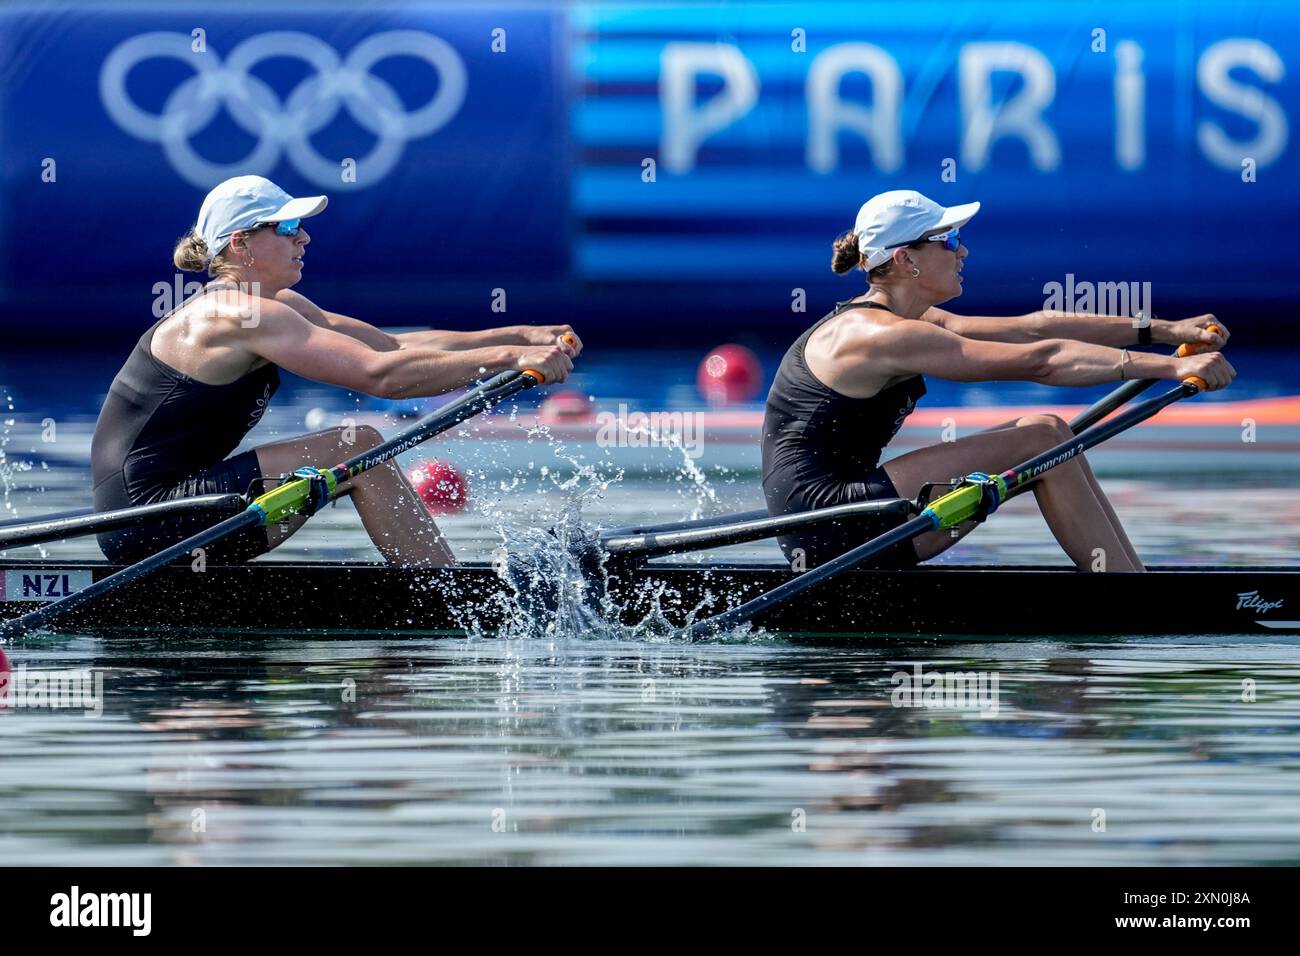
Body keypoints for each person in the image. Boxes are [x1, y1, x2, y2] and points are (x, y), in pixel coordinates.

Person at [91, 175, 580, 567]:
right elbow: (381, 376)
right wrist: (508, 362)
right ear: (240, 243)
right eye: (285, 227)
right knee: (358, 445)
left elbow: (390, 345)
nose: (303, 236)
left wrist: (519, 337)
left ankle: (438, 583)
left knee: (359, 447)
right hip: (148, 518)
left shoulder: (274, 304)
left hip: (189, 511)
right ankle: (442, 595)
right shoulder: (234, 315)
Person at [762, 189, 1234, 572]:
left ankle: (1128, 580)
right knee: (1041, 440)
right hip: (828, 524)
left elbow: (1037, 327)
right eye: (948, 240)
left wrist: (1166, 331)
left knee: (1048, 428)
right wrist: (1171, 368)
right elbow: (1041, 362)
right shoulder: (879, 334)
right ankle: (1128, 593)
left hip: (848, 512)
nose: (962, 250)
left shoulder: (909, 319)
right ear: (907, 260)